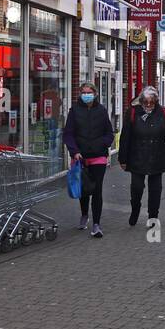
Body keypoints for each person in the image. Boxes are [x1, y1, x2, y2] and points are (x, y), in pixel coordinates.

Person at [117, 85, 165, 227]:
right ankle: (135, 209)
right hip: (137, 156)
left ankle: (153, 216)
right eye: (146, 102)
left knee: (155, 189)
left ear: (156, 101)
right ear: (141, 101)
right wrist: (122, 159)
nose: (148, 105)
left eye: (152, 102)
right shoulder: (133, 112)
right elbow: (125, 137)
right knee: (136, 187)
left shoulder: (163, 113)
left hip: (157, 156)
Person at [62, 81, 114, 236]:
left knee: (97, 190)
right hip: (81, 157)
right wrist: (74, 151)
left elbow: (109, 133)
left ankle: (96, 224)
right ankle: (84, 214)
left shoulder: (102, 111)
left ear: (95, 94)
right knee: (84, 189)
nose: (86, 95)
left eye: (88, 92)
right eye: (83, 92)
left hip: (98, 156)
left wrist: (102, 144)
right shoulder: (75, 111)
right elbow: (68, 134)